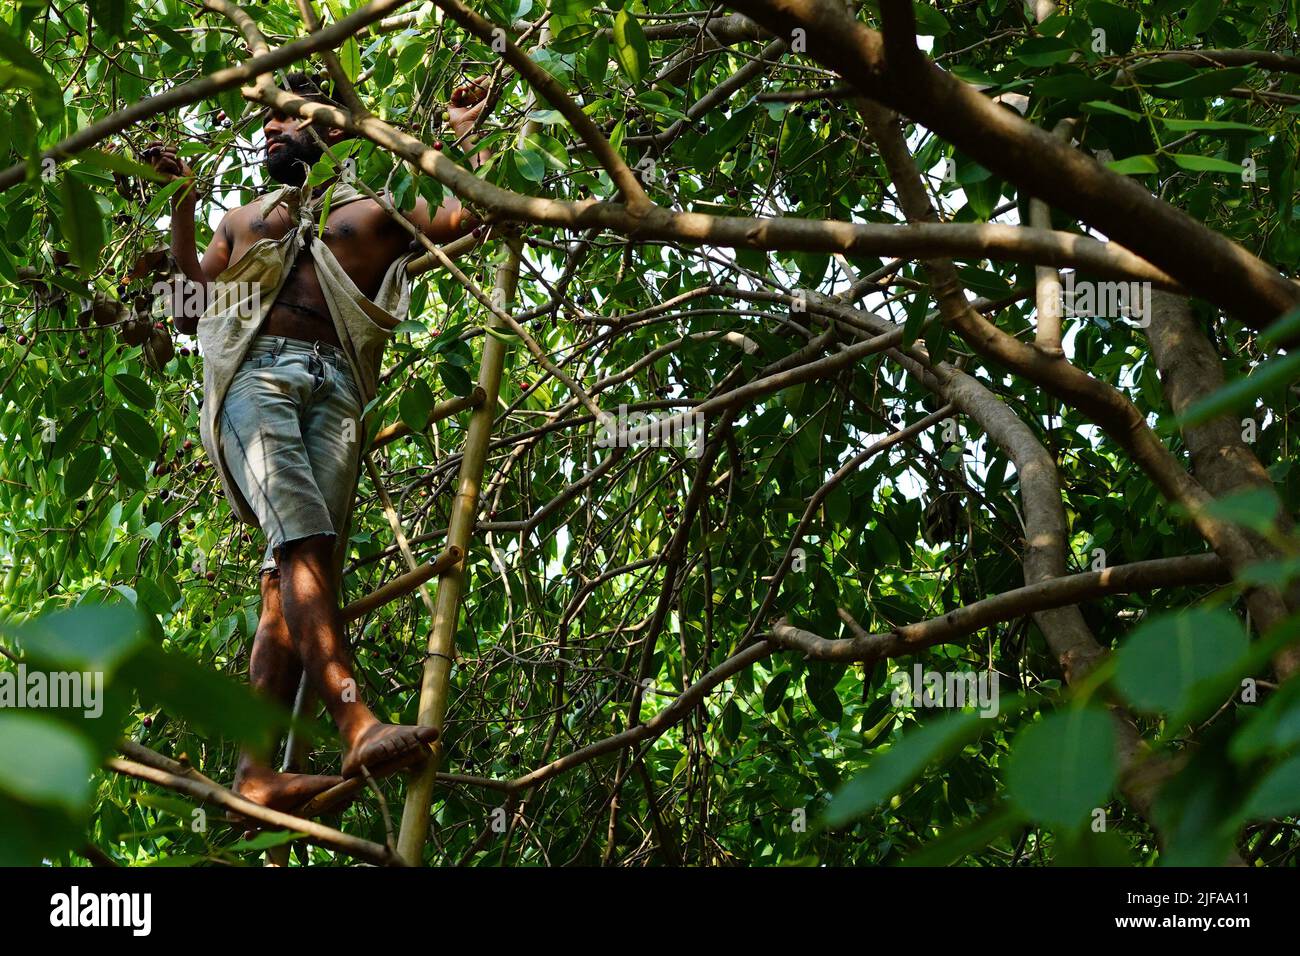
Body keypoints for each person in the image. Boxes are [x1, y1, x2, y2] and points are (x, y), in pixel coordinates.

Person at [145, 71, 490, 813]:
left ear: (328, 121)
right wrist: (180, 210)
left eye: (280, 119)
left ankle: (258, 773)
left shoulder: (381, 206)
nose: (266, 132)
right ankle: (354, 719)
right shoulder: (242, 219)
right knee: (301, 544)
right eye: (262, 124)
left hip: (338, 387)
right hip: (253, 379)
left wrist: (462, 132)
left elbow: (470, 216)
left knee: (290, 575)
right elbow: (184, 309)